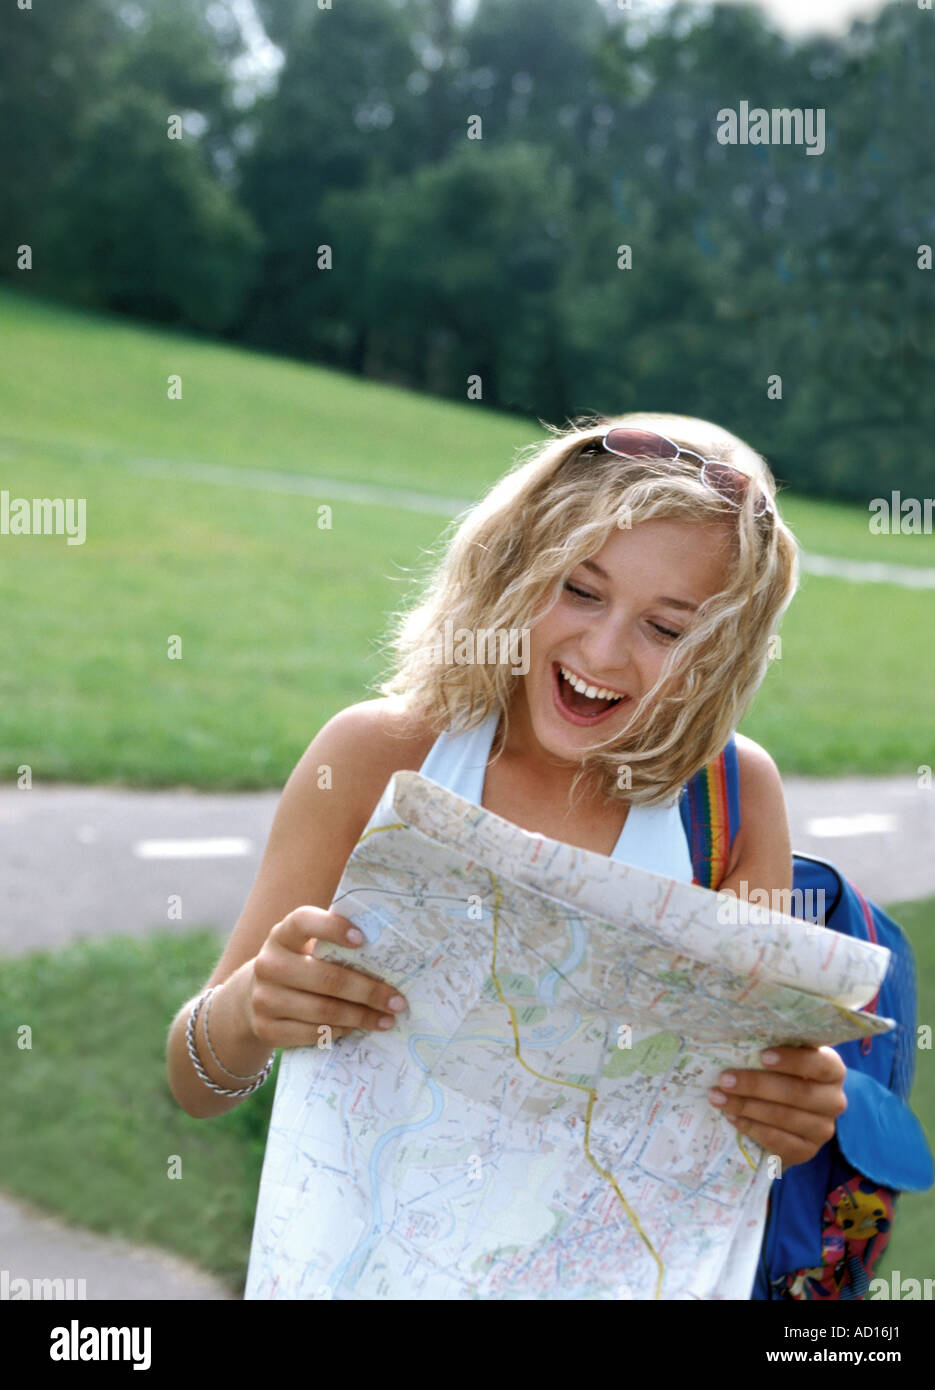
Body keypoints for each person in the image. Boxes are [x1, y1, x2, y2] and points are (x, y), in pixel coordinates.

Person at [165, 410, 848, 1279]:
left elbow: (746, 1130)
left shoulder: (729, 802)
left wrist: (795, 1112)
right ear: (514, 567)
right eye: (580, 589)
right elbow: (199, 1084)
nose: (602, 651)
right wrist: (249, 1008)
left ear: (721, 652)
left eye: (667, 629)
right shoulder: (378, 756)